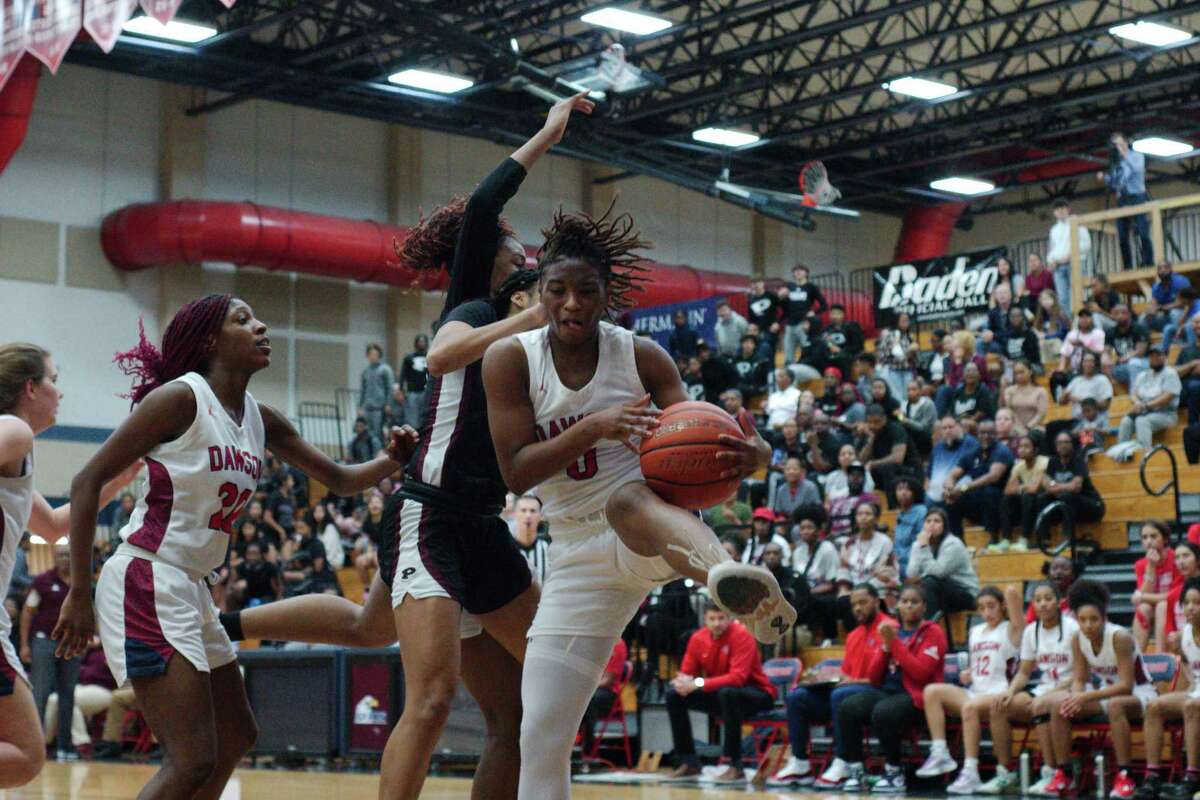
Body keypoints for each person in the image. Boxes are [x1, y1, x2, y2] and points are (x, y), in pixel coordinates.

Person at [47, 295, 417, 800]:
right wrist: (79, 592)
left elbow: (338, 479)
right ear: (210, 341)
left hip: (190, 587)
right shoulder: (180, 399)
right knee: (192, 759)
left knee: (236, 735)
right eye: (243, 320)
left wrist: (390, 460)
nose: (261, 325)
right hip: (146, 577)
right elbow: (86, 482)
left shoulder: (259, 418)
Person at [482, 204, 795, 800]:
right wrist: (595, 425)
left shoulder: (642, 357)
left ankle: (726, 576)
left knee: (628, 497)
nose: (572, 303)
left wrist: (755, 457)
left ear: (608, 295)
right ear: (539, 292)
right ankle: (733, 583)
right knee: (540, 736)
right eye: (558, 290)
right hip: (573, 555)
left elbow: (709, 446)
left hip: (649, 530)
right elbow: (515, 472)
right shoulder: (510, 359)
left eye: (587, 291)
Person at [0, 344, 139, 788]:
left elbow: (57, 526)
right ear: (30, 387)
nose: (60, 392)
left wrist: (118, 480)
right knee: (25, 753)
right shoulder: (14, 430)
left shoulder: (19, 450)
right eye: (54, 380)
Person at [768, 584, 892, 788]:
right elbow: (847, 673)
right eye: (854, 605)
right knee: (797, 697)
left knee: (840, 694)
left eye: (863, 602)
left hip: (878, 693)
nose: (858, 609)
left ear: (877, 602)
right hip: (848, 693)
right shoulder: (853, 635)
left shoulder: (888, 628)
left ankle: (843, 761)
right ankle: (800, 763)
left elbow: (882, 678)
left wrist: (848, 681)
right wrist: (823, 678)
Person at [1044, 579, 1157, 799]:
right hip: (1107, 693)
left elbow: (1126, 685)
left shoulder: (1119, 637)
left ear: (1104, 618)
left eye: (1094, 619)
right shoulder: (1077, 638)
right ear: (1076, 619)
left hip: (1139, 694)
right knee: (1060, 705)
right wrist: (1075, 697)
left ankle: (1126, 775)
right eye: (1082, 620)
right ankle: (1064, 772)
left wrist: (1086, 695)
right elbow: (1079, 678)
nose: (1088, 625)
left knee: (1115, 706)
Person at [833, 584, 947, 793]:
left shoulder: (933, 633)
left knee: (883, 712)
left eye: (914, 602)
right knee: (848, 707)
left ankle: (894, 772)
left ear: (924, 607)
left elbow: (921, 673)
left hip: (917, 695)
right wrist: (885, 648)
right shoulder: (893, 632)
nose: (908, 606)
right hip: (887, 691)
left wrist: (893, 644)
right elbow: (875, 678)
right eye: (904, 601)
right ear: (898, 607)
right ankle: (856, 770)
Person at [915, 585, 1024, 794]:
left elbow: (1015, 602)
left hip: (1000, 693)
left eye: (991, 606)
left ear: (1002, 606)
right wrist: (970, 672)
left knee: (970, 708)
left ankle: (970, 771)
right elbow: (983, 663)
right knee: (932, 691)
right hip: (976, 690)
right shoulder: (975, 631)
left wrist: (1009, 593)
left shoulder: (1011, 629)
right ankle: (940, 752)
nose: (986, 612)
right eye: (982, 608)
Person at [666, 601, 775, 782]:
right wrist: (681, 682)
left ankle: (735, 765)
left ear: (730, 618)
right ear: (705, 619)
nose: (717, 623)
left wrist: (698, 682)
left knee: (728, 693)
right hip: (722, 693)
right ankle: (688, 761)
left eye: (721, 618)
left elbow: (738, 678)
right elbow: (687, 672)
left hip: (757, 694)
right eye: (712, 619)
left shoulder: (742, 635)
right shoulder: (698, 638)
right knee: (673, 695)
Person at [994, 581, 1080, 795]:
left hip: (1071, 687)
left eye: (1048, 599)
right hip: (1044, 688)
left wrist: (1049, 694)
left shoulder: (1073, 627)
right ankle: (1005, 773)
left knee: (1041, 704)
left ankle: (1052, 771)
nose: (1043, 604)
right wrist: (1010, 691)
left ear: (1059, 602)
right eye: (1038, 600)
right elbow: (1024, 673)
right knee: (999, 706)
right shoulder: (1031, 631)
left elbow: (1080, 673)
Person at [1137, 575, 1200, 800]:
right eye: (1187, 603)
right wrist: (1191, 680)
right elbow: (1190, 671)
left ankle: (1192, 776)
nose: (1191, 608)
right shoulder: (1184, 636)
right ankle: (1153, 775)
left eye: (1197, 602)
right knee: (1154, 705)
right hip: (1197, 689)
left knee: (1192, 706)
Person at [19, 547, 81, 761]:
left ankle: (66, 747)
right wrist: (25, 645)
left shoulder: (79, 584)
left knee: (68, 695)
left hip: (70, 645)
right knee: (40, 693)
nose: (64, 558)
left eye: (68, 555)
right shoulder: (43, 581)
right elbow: (27, 613)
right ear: (55, 558)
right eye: (61, 555)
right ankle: (35, 747)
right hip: (44, 642)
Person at [944, 419, 1014, 546]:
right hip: (979, 501)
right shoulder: (974, 452)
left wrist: (963, 488)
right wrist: (949, 488)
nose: (985, 437)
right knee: (952, 500)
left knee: (990, 491)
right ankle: (958, 542)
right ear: (977, 434)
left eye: (989, 433)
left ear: (996, 434)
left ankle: (994, 537)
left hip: (1003, 502)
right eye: (982, 433)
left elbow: (993, 477)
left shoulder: (1001, 451)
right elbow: (953, 474)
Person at [905, 508, 980, 621]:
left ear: (944, 526)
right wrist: (918, 547)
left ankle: (928, 630)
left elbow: (938, 573)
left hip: (966, 594)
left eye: (937, 521)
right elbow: (912, 574)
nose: (931, 524)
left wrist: (924, 548)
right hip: (940, 592)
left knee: (929, 582)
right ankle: (907, 631)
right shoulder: (920, 544)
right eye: (928, 521)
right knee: (908, 590)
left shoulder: (953, 544)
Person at [1112, 345, 1181, 458]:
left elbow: (1167, 397)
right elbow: (1133, 394)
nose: (1154, 358)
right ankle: (1121, 453)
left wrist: (1146, 406)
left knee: (1141, 421)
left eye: (1158, 355)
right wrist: (1138, 403)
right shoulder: (1143, 375)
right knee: (1126, 421)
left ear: (1164, 357)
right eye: (1151, 356)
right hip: (1144, 411)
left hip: (1166, 414)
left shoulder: (1170, 373)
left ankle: (1145, 454)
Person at [835, 501, 895, 630]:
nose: (863, 517)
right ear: (855, 518)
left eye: (868, 514)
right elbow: (843, 570)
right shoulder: (848, 543)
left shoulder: (885, 542)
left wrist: (865, 590)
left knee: (865, 599)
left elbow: (888, 572)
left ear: (876, 518)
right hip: (853, 589)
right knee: (844, 600)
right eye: (860, 514)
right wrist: (844, 588)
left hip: (878, 590)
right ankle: (856, 637)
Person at [1098, 131, 1153, 270]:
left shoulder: (1137, 156)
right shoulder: (1116, 163)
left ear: (1126, 142)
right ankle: (1128, 266)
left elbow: (1137, 169)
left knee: (1143, 232)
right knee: (1122, 236)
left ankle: (1148, 262)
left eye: (1121, 143)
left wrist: (1125, 155)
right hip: (1122, 199)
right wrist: (1105, 178)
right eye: (1116, 145)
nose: (1119, 147)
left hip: (1138, 197)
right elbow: (1117, 183)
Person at [792, 506, 840, 644]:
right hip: (803, 596)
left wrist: (809, 592)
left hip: (822, 594)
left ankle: (830, 639)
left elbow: (832, 584)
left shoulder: (828, 549)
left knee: (822, 602)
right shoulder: (797, 552)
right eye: (802, 528)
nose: (805, 531)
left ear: (819, 530)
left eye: (809, 527)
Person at [1132, 521, 1181, 654]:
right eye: (1145, 537)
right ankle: (1137, 658)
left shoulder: (1177, 558)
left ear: (1165, 539)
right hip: (1155, 606)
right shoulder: (1141, 565)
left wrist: (1142, 596)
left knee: (1162, 606)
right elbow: (1143, 599)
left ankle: (1161, 654)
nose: (1149, 541)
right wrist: (1151, 567)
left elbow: (1175, 595)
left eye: (1153, 536)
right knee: (1144, 608)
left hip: (1177, 606)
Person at [858, 403, 921, 502]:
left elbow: (897, 458)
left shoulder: (896, 429)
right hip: (886, 472)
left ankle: (893, 507)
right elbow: (861, 461)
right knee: (858, 471)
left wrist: (873, 463)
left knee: (887, 468)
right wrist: (871, 440)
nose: (872, 425)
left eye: (876, 422)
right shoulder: (870, 432)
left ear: (884, 419)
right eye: (869, 422)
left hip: (910, 470)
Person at [578, 638, 627, 757]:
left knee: (588, 700)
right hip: (592, 689)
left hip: (608, 693)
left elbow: (608, 681)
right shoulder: (592, 642)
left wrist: (586, 687)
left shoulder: (617, 644)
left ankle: (587, 750)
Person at [1002, 434, 1048, 551]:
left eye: (1026, 446)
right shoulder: (1018, 466)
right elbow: (1007, 490)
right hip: (1028, 499)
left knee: (1028, 496)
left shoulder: (1043, 462)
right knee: (1007, 499)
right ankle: (1006, 540)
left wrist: (1020, 487)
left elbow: (1034, 489)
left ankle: (1024, 540)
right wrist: (1023, 488)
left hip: (1045, 499)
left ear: (1035, 450)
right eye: (1020, 446)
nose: (1021, 449)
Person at [1046, 197, 1092, 309]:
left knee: (1075, 295)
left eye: (1062, 208)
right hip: (1058, 266)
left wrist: (1070, 255)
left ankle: (1076, 322)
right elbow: (1052, 249)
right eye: (1057, 209)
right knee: (1062, 298)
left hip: (1074, 263)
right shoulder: (1054, 230)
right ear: (1054, 213)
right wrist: (1050, 261)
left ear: (1068, 209)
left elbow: (1086, 244)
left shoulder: (1077, 223)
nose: (1060, 211)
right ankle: (1068, 324)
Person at [779, 264, 828, 365]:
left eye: (801, 270)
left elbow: (824, 305)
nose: (798, 272)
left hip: (804, 325)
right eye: (795, 270)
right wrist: (781, 297)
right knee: (788, 356)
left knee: (807, 351)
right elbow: (783, 306)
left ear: (806, 273)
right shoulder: (789, 286)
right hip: (790, 325)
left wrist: (814, 312)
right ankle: (789, 376)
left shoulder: (811, 287)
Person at [925, 416, 978, 506]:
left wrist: (958, 489)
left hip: (961, 491)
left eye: (951, 427)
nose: (948, 431)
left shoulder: (970, 444)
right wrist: (927, 491)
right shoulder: (937, 448)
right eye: (944, 428)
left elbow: (973, 474)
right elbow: (929, 476)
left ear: (958, 427)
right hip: (934, 495)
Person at [1105, 304, 1151, 389]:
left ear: (1129, 314)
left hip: (1144, 363)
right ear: (1112, 316)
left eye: (1123, 313)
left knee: (1134, 363)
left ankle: (1134, 395)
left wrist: (1126, 357)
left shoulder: (1139, 328)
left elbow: (1140, 351)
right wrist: (1106, 360)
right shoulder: (1110, 332)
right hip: (1123, 367)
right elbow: (1106, 352)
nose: (1120, 315)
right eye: (1116, 313)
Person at [1003, 360, 1048, 441]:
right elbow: (1007, 411)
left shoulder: (1040, 391)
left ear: (1030, 372)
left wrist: (1027, 428)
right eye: (1016, 373)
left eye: (1022, 372)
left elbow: (1041, 414)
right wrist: (1017, 427)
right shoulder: (1009, 390)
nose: (1019, 376)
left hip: (1035, 429)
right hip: (1014, 429)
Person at [1143, 262, 1192, 338]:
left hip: (1186, 315)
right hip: (1167, 317)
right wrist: (1150, 311)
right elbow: (1153, 303)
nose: (1162, 270)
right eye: (1159, 268)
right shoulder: (1156, 287)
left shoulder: (1180, 281)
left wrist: (1161, 307)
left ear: (1171, 270)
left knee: (1174, 313)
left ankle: (1178, 340)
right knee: (1143, 317)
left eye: (1165, 268)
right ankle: (1145, 341)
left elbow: (1181, 303)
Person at [511, 494, 550, 587]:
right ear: (514, 514)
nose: (528, 515)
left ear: (541, 516)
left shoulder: (550, 549)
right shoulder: (505, 550)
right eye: (523, 510)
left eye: (533, 511)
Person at [891, 477, 926, 579]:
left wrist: (899, 558)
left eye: (907, 489)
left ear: (915, 492)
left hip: (914, 563)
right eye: (899, 489)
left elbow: (921, 543)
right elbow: (898, 544)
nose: (903, 493)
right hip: (899, 562)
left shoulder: (921, 512)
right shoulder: (900, 515)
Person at [358, 343, 396, 438]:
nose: (373, 356)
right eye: (371, 354)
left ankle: (379, 452)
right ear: (367, 355)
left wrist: (388, 403)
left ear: (379, 355)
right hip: (367, 407)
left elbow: (390, 388)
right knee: (367, 433)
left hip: (379, 408)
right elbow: (363, 390)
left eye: (375, 354)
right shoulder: (366, 371)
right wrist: (360, 406)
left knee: (378, 432)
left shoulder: (385, 369)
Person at [877, 311, 915, 402]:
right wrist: (908, 353)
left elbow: (914, 359)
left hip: (908, 370)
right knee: (898, 398)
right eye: (903, 320)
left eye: (907, 320)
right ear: (896, 322)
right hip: (894, 371)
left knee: (909, 396)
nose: (906, 323)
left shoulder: (909, 336)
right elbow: (883, 357)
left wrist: (913, 353)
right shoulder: (890, 337)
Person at [821, 304, 865, 379]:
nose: (834, 316)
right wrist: (829, 345)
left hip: (850, 354)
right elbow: (825, 343)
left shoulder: (852, 326)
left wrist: (841, 350)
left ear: (843, 315)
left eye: (837, 314)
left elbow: (858, 345)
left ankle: (846, 381)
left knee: (842, 358)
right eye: (832, 313)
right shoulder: (826, 329)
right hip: (832, 354)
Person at [398, 334, 431, 431]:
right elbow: (403, 374)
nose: (421, 343)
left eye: (423, 341)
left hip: (426, 392)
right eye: (419, 341)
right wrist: (401, 389)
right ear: (416, 343)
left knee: (425, 417)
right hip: (412, 392)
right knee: (412, 418)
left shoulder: (430, 357)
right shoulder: (409, 358)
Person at [747, 278, 782, 355]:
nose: (756, 285)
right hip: (758, 331)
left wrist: (777, 323)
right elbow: (751, 317)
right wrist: (751, 326)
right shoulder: (751, 299)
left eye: (758, 282)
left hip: (771, 329)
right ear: (751, 286)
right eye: (753, 283)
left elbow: (784, 308)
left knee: (770, 352)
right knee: (759, 352)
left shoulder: (771, 295)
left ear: (763, 284)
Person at [732, 335, 770, 402]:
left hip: (754, 388)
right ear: (741, 344)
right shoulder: (735, 359)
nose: (748, 345)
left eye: (751, 343)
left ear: (755, 346)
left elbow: (763, 379)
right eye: (746, 342)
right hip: (738, 387)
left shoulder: (761, 360)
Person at [1178, 315, 1200, 426]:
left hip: (1194, 387)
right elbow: (1175, 372)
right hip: (1185, 390)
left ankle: (1193, 426)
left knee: (1194, 386)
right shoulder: (1186, 349)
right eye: (1195, 322)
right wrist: (1192, 364)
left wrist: (1186, 370)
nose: (1198, 325)